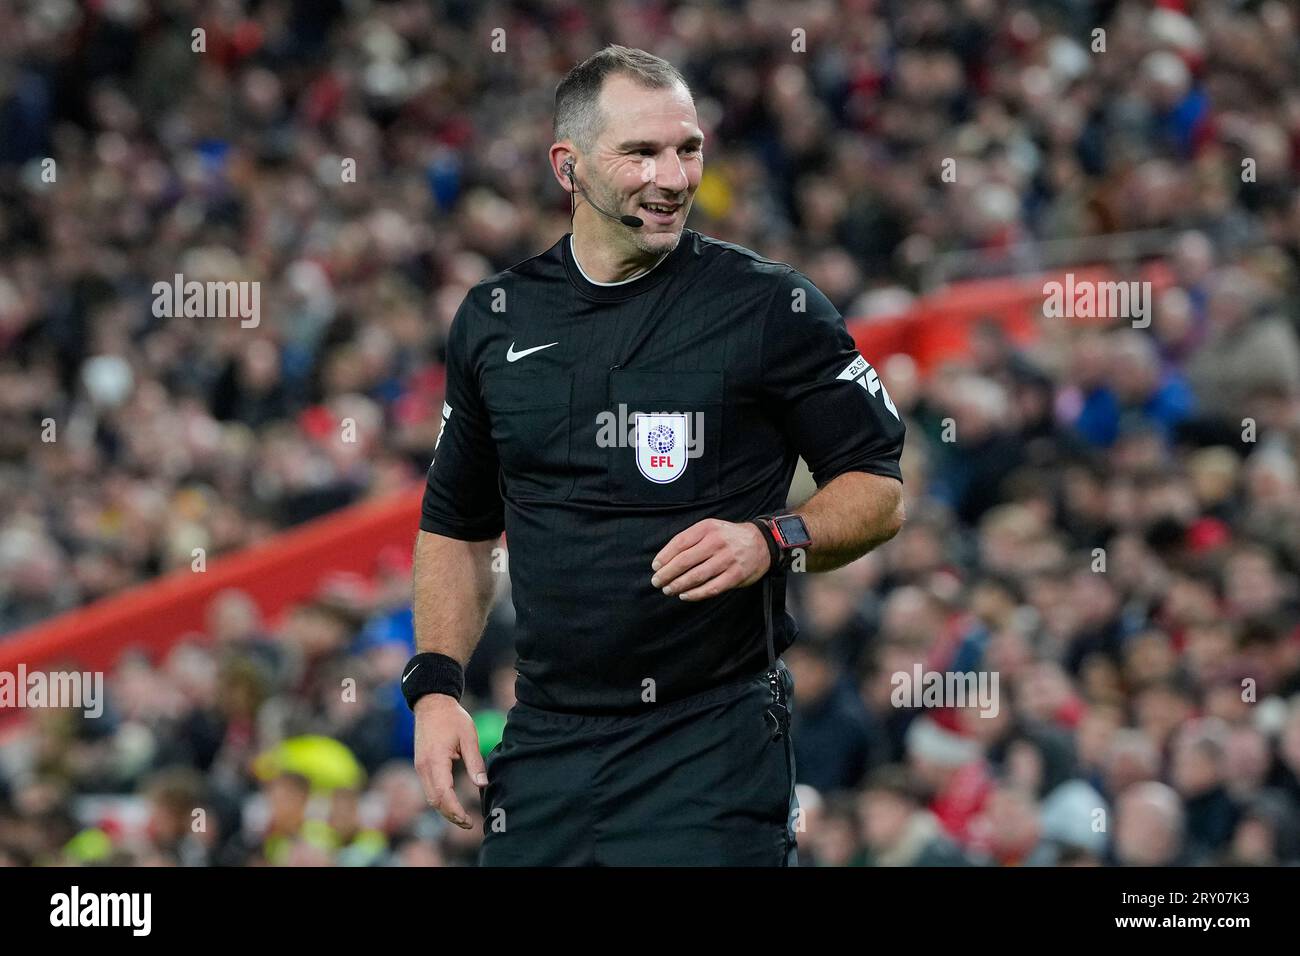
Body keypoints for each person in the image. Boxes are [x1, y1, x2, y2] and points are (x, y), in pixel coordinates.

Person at [405, 45, 905, 866]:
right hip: (547, 743)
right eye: (640, 152)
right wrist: (434, 689)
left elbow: (879, 490)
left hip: (709, 745)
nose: (672, 176)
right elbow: (458, 525)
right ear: (569, 166)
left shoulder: (770, 307)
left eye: (688, 148)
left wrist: (771, 539)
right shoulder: (495, 320)